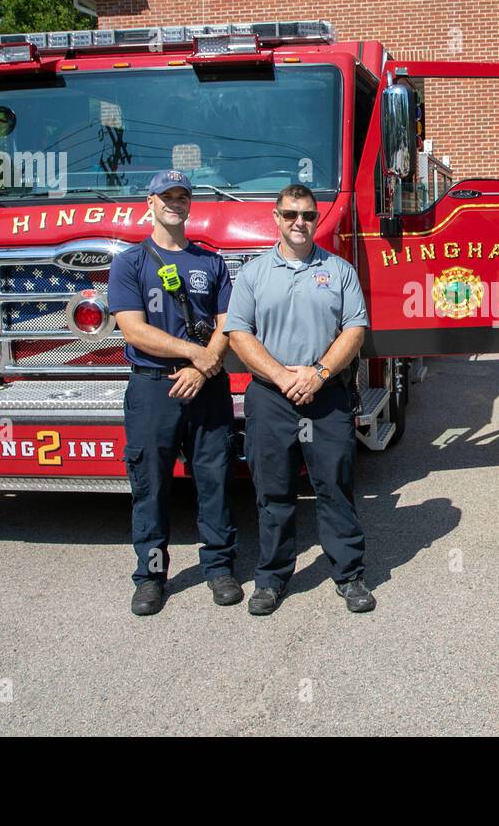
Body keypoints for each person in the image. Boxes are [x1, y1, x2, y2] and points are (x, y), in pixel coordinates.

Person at [225, 183, 375, 615]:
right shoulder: (253, 274)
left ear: (316, 219)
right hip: (271, 397)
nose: (299, 223)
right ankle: (271, 579)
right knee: (273, 491)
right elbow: (239, 333)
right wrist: (279, 375)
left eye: (307, 215)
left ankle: (349, 575)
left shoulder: (340, 270)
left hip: (326, 396)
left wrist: (320, 373)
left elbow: (354, 330)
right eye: (290, 214)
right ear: (276, 217)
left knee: (335, 486)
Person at [108, 170, 240, 616]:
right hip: (153, 389)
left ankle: (219, 568)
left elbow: (227, 324)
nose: (175, 203)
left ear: (189, 205)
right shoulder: (130, 263)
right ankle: (150, 577)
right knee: (151, 485)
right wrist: (195, 356)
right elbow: (133, 329)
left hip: (207, 389)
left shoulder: (211, 262)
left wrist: (204, 369)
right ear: (150, 202)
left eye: (182, 197)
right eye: (167, 196)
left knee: (215, 481)